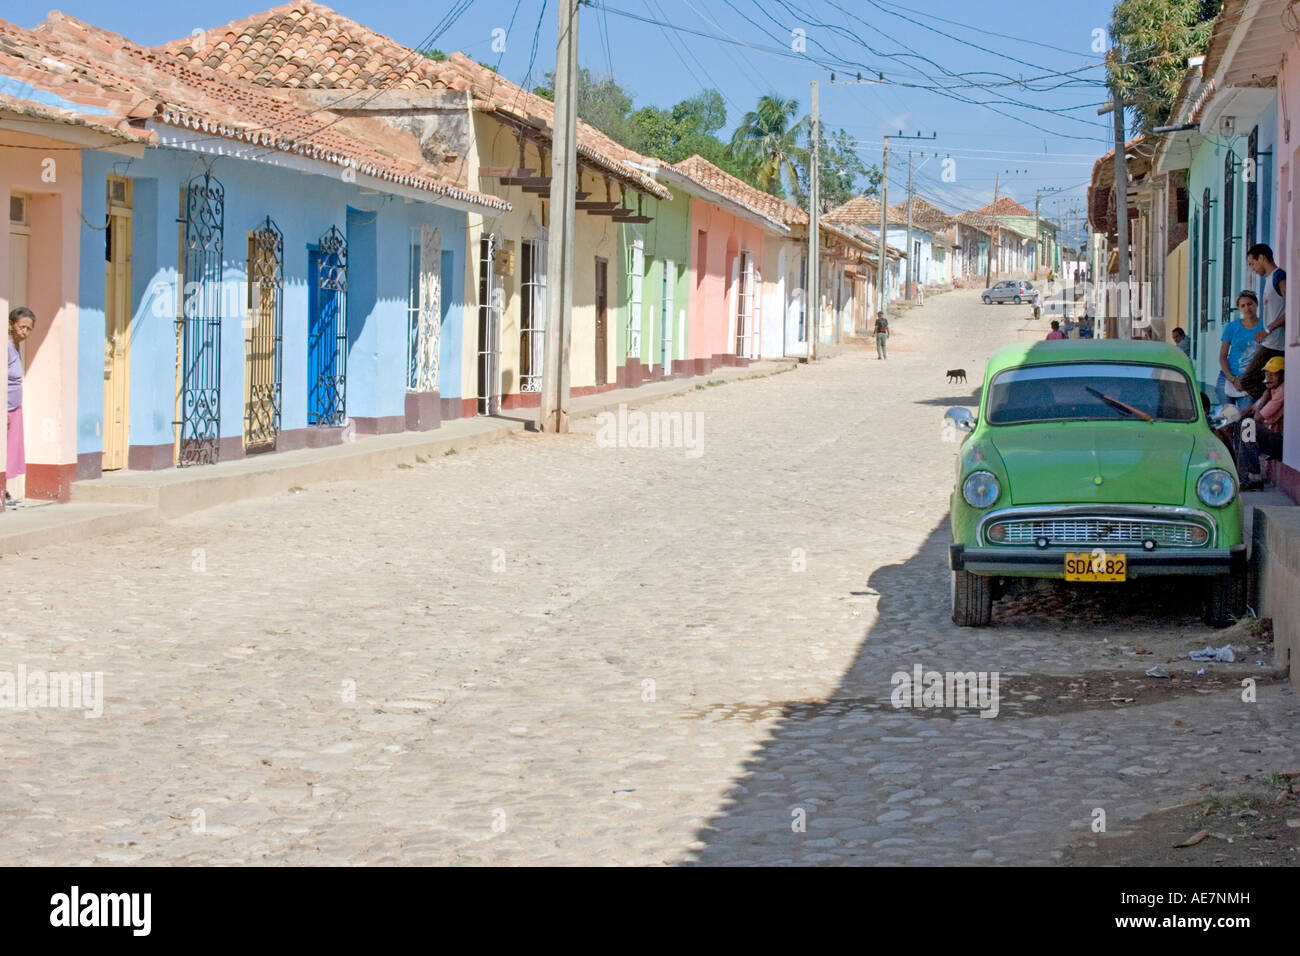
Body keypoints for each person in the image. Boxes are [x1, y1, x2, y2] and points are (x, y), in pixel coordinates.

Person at [1240, 243, 1286, 399]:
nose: (1253, 268)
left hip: (1275, 344)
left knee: (1247, 380)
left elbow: (1292, 309)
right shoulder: (1268, 280)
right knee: (1265, 380)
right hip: (1269, 342)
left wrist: (1268, 329)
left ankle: (1271, 403)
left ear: (1262, 258)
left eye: (1253, 263)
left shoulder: (1279, 276)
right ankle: (1271, 402)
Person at [1234, 356, 1284, 490]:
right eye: (1267, 374)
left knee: (1248, 425)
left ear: (1282, 375)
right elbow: (1251, 408)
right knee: (1240, 425)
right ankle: (1243, 476)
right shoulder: (1271, 391)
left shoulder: (1280, 392)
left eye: (1273, 374)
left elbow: (1257, 416)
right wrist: (1233, 419)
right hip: (1271, 437)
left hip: (1281, 443)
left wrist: (1266, 394)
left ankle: (1254, 477)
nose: (1269, 377)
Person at [7, 307, 33, 510]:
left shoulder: (16, 346)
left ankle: (4, 491)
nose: (24, 332)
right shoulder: (6, 347)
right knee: (4, 451)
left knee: (12, 452)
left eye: (28, 328)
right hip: (6, 408)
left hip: (15, 407)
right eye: (21, 327)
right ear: (11, 325)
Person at [1218, 290, 1262, 409]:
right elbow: (1222, 356)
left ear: (1256, 304)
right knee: (1227, 420)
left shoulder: (1264, 327)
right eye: (1243, 306)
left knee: (1246, 421)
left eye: (1250, 304)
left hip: (1250, 382)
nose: (1247, 308)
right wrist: (1232, 379)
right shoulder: (1232, 327)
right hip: (1227, 378)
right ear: (1239, 308)